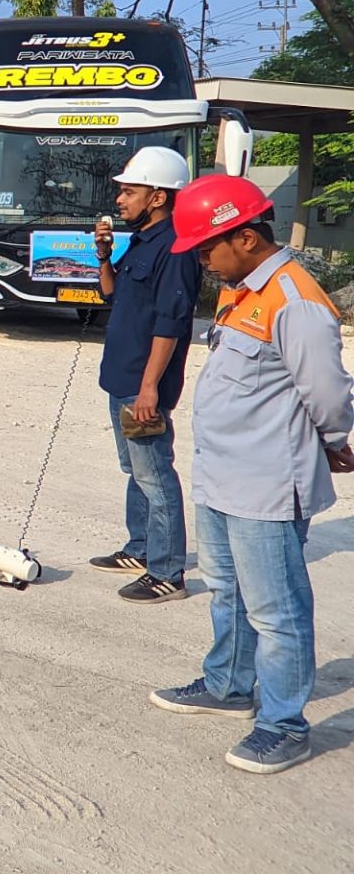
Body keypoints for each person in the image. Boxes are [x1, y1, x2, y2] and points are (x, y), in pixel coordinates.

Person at [150, 176, 354, 775]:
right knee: (226, 589)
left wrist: (334, 442)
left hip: (265, 483)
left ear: (244, 237)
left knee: (276, 609)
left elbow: (328, 394)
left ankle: (284, 724)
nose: (202, 261)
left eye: (206, 248)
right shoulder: (240, 291)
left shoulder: (295, 300)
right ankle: (228, 684)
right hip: (220, 474)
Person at [89, 147, 201, 604]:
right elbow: (113, 294)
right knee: (134, 469)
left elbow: (170, 323)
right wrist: (104, 256)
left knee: (155, 475)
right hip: (122, 379)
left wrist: (150, 388)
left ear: (158, 197)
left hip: (142, 385)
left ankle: (168, 573)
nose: (120, 200)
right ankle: (139, 548)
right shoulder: (143, 240)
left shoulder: (176, 248)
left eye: (129, 191)